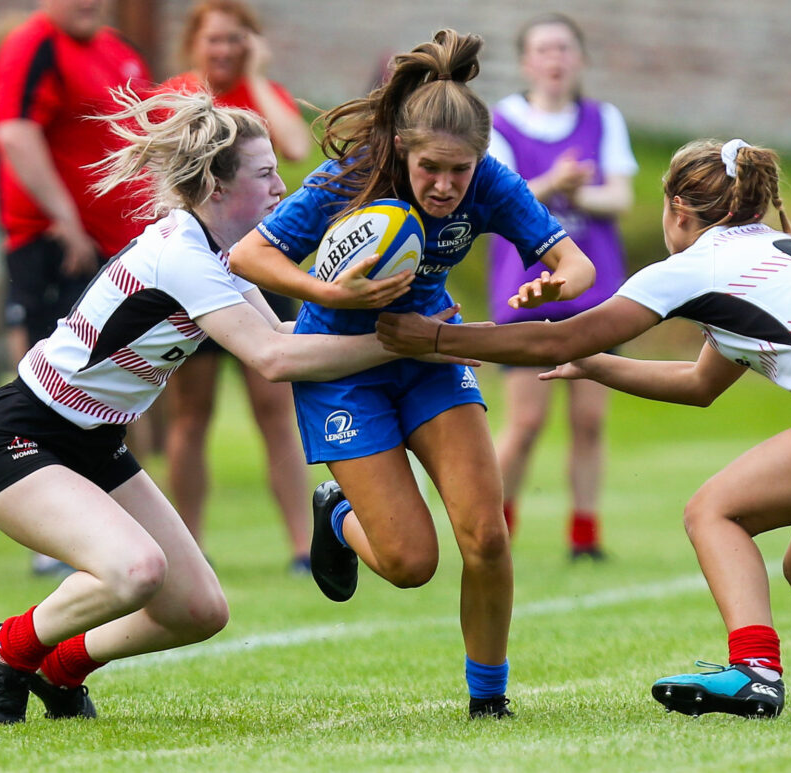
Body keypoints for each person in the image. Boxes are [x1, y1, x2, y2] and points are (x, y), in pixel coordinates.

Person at [377, 138, 791, 718]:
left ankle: (756, 671)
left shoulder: (693, 266)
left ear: (678, 210)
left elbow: (560, 337)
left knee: (714, 511)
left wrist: (436, 337)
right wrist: (596, 364)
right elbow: (698, 384)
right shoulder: (777, 249)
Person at [0, 88, 471, 725]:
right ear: (215, 184)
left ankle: (61, 667)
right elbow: (273, 359)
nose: (281, 187)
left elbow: (284, 334)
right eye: (265, 174)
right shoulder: (182, 256)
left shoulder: (221, 254)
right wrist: (411, 345)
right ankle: (3, 650)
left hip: (94, 446)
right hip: (21, 440)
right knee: (135, 571)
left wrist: (407, 331)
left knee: (199, 611)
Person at [228, 29, 597, 719]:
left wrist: (554, 283)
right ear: (402, 148)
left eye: (461, 170)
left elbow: (576, 264)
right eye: (431, 168)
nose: (446, 185)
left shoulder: (490, 182)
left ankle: (488, 700)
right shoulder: (355, 175)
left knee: (486, 535)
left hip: (428, 354)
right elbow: (249, 255)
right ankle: (338, 514)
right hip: (341, 370)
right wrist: (330, 293)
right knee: (409, 563)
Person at [0, 0, 152, 577]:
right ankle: (51, 535)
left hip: (117, 252)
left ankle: (111, 525)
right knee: (54, 388)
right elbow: (15, 133)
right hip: (57, 245)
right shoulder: (33, 42)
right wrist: (66, 217)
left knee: (111, 390)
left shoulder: (116, 51)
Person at [161, 0, 312, 569]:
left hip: (258, 261)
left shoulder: (261, 94)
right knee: (191, 412)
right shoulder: (179, 97)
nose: (224, 50)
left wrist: (257, 76)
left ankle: (303, 546)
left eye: (236, 39)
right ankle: (190, 547)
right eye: (215, 39)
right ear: (194, 43)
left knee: (276, 407)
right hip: (198, 269)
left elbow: (297, 147)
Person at [486, 13, 636, 557]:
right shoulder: (500, 123)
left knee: (590, 420)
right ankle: (495, 531)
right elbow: (499, 198)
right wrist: (556, 182)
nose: (555, 59)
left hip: (595, 293)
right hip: (527, 291)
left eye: (565, 48)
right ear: (526, 62)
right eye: (544, 49)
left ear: (581, 59)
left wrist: (574, 193)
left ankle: (585, 537)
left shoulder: (602, 118)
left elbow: (619, 196)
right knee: (526, 422)